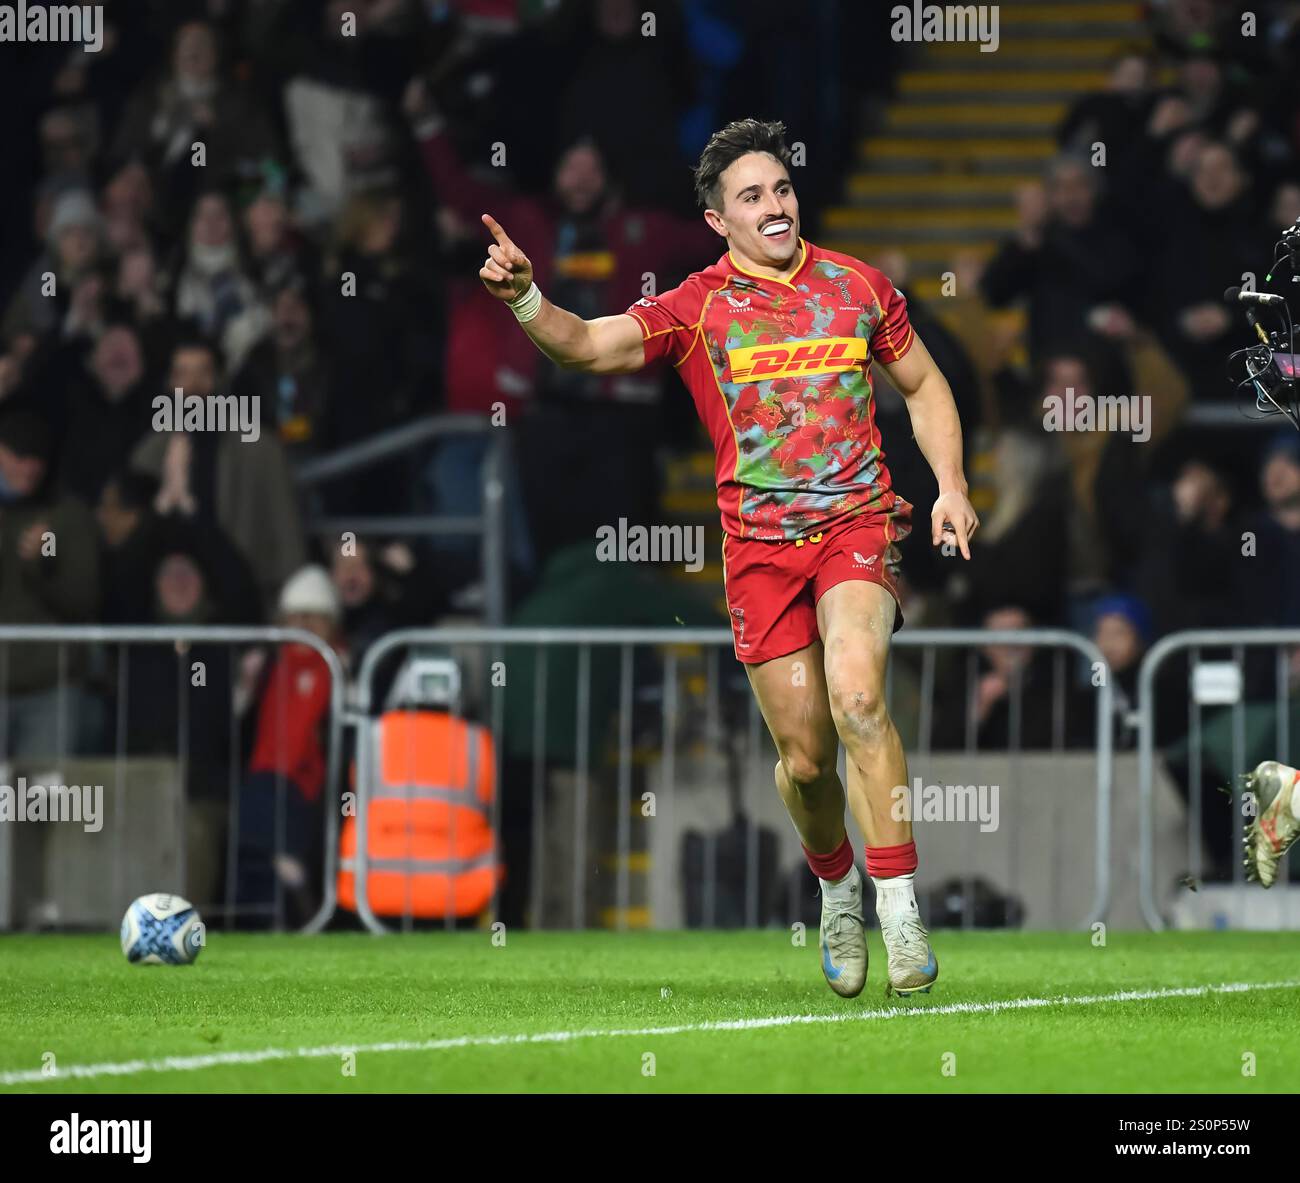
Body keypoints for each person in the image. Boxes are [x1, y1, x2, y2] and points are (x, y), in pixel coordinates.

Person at [476, 118, 979, 998]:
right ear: (719, 222)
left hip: (856, 524)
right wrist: (525, 297)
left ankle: (900, 905)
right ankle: (836, 886)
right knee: (808, 760)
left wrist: (950, 484)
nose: (775, 206)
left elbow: (926, 385)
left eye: (781, 189)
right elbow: (586, 343)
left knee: (860, 694)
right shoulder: (697, 306)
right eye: (753, 197)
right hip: (758, 553)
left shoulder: (858, 286)